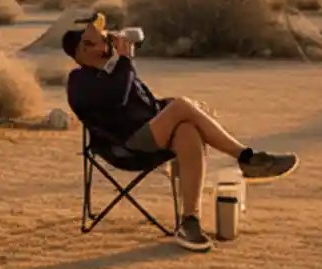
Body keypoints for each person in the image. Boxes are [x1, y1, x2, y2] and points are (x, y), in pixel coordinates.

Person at [63, 18, 299, 252]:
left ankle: (190, 222)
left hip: (150, 134)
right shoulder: (79, 82)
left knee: (188, 129)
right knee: (183, 107)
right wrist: (124, 60)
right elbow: (117, 97)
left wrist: (186, 110)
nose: (108, 42)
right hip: (126, 146)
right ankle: (247, 158)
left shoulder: (115, 70)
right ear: (85, 49)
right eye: (102, 40)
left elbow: (150, 105)